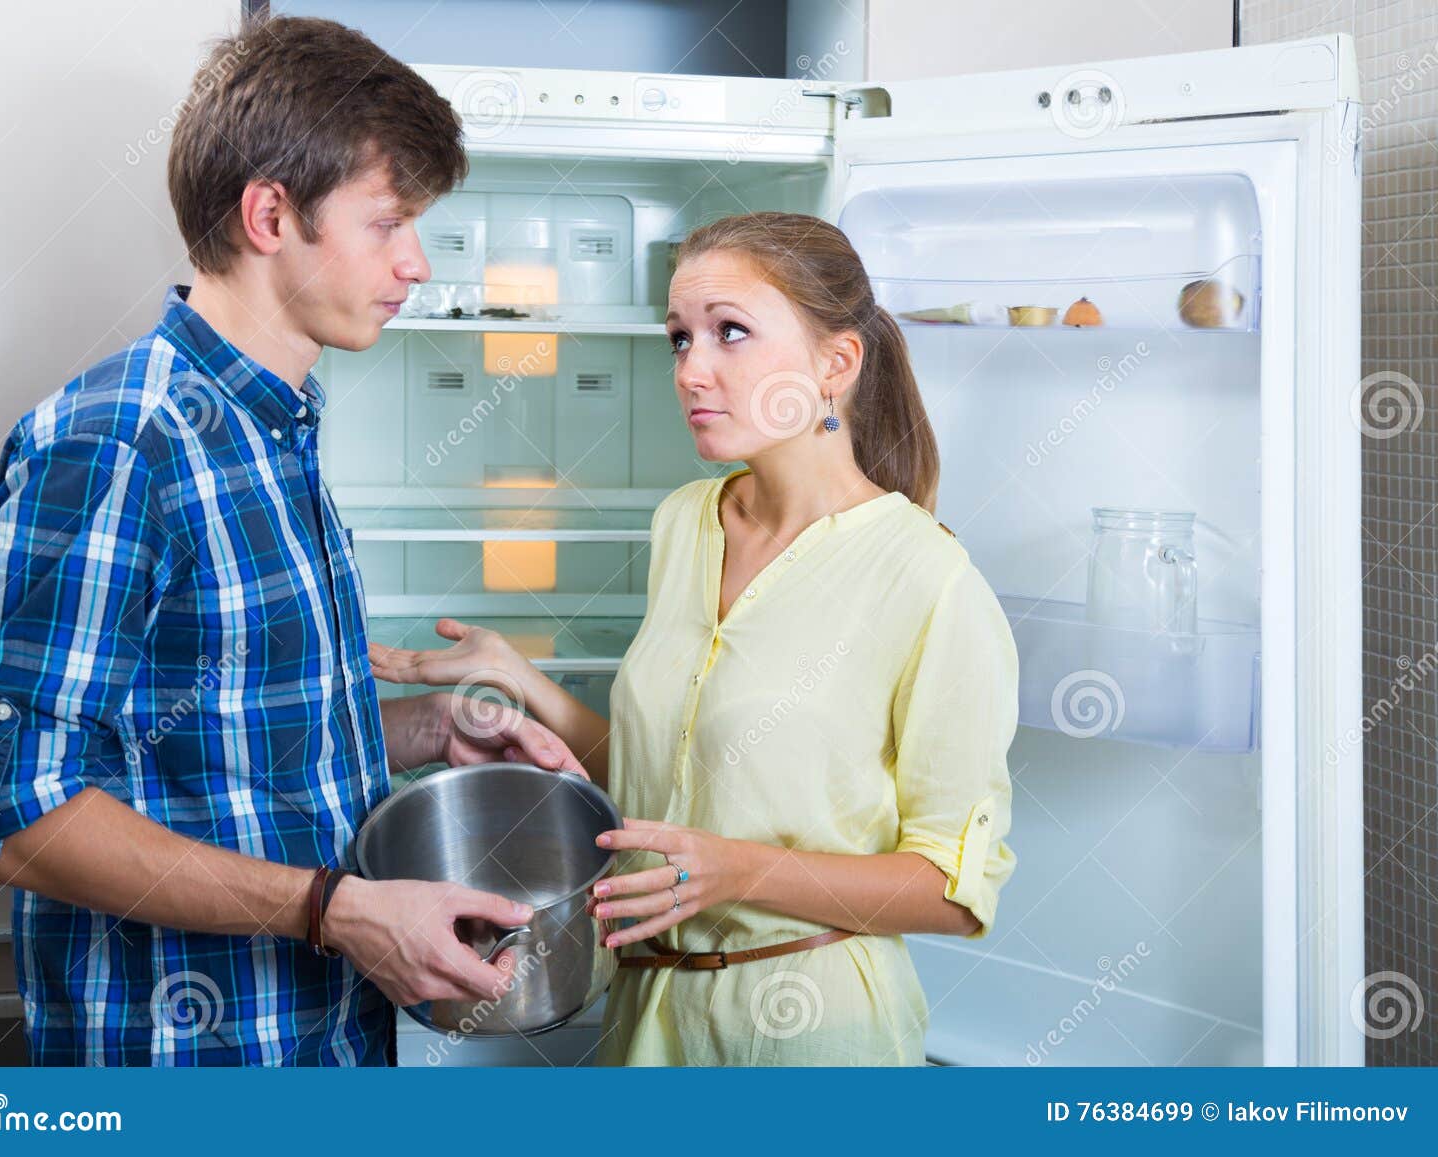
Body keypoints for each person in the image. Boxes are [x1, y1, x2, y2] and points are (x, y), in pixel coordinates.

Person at [0, 15, 584, 1066]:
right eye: (388, 223)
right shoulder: (119, 440)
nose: (416, 262)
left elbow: (224, 739)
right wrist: (337, 908)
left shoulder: (274, 426)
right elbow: (12, 818)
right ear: (270, 213)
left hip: (324, 1041)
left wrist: (425, 732)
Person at [370, 211, 1019, 1065]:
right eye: (680, 339)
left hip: (805, 1034)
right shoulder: (686, 523)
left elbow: (954, 891)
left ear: (836, 364)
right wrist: (514, 676)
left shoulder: (929, 581)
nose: (691, 370)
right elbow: (670, 779)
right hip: (644, 1023)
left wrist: (741, 872)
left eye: (730, 333)